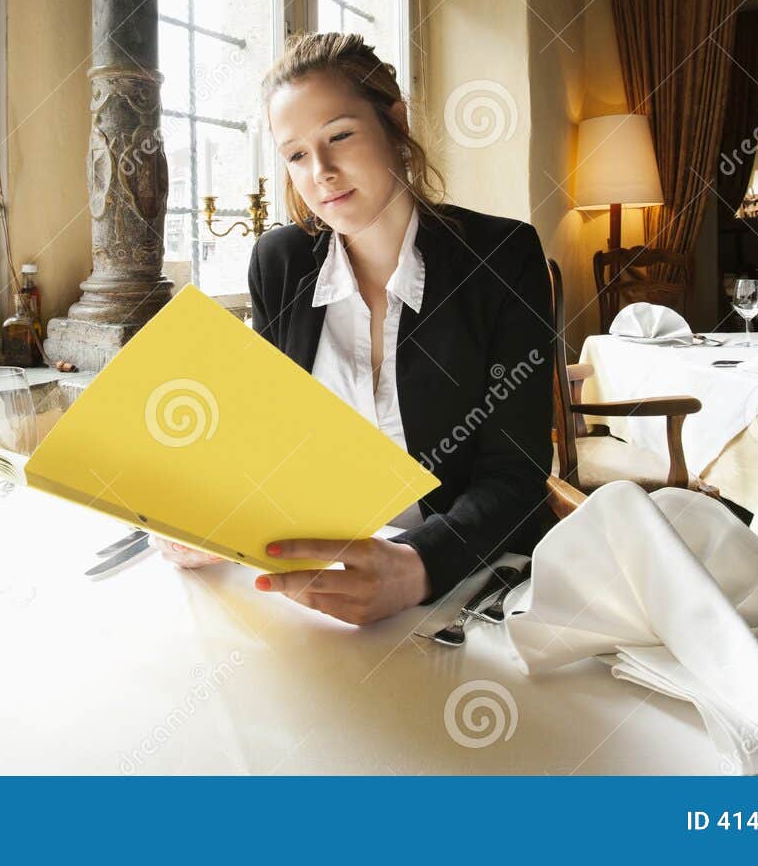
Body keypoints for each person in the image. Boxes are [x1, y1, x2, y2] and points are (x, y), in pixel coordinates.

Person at [155, 32, 555, 625]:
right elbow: (266, 442)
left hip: (465, 586)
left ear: (393, 122)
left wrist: (415, 567)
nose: (321, 172)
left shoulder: (502, 256)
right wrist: (212, 515)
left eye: (340, 135)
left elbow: (516, 476)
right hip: (314, 585)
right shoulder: (279, 262)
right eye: (295, 155)